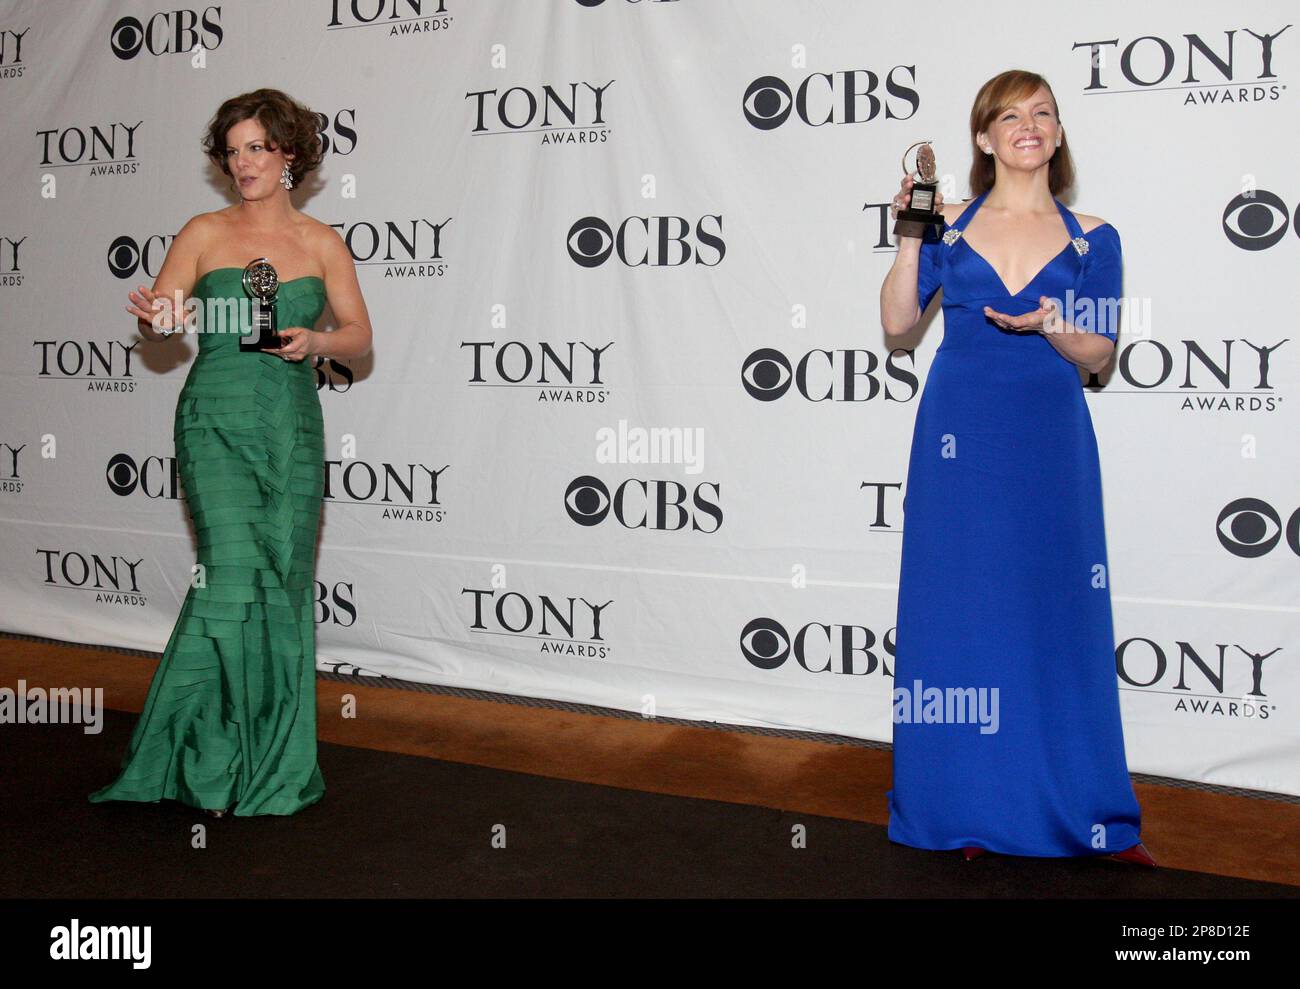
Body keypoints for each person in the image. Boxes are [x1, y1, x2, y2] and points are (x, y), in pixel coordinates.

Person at [878, 70, 1153, 864]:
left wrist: (1053, 323)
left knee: (1053, 614)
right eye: (1009, 115)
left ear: (1058, 135)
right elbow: (899, 324)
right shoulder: (949, 227)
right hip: (958, 437)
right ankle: (960, 804)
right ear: (983, 138)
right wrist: (908, 235)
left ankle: (1077, 806)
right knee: (961, 610)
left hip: (1048, 441)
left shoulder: (1094, 237)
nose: (1027, 125)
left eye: (1042, 113)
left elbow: (1099, 353)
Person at [89, 88, 373, 817]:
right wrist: (160, 317)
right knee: (231, 577)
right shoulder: (203, 231)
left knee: (279, 581)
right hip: (214, 418)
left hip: (290, 424)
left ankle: (268, 761)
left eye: (257, 147)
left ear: (289, 154)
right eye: (233, 148)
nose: (242, 161)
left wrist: (316, 342)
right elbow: (165, 321)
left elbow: (359, 338)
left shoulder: (320, 243)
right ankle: (198, 757)